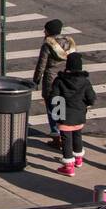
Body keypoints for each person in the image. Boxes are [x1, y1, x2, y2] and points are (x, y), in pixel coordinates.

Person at [50, 51, 97, 176]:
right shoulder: (85, 81)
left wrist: (56, 111)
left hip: (64, 113)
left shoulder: (59, 80)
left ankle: (68, 166)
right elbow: (91, 98)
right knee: (77, 135)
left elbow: (54, 98)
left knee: (66, 139)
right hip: (79, 113)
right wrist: (84, 105)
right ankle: (78, 159)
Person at [33, 19, 77, 151]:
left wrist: (36, 80)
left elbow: (41, 65)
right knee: (63, 106)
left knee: (52, 109)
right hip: (66, 79)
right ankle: (66, 135)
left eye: (45, 29)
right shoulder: (70, 43)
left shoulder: (48, 45)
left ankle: (56, 137)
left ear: (48, 31)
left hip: (51, 80)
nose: (43, 32)